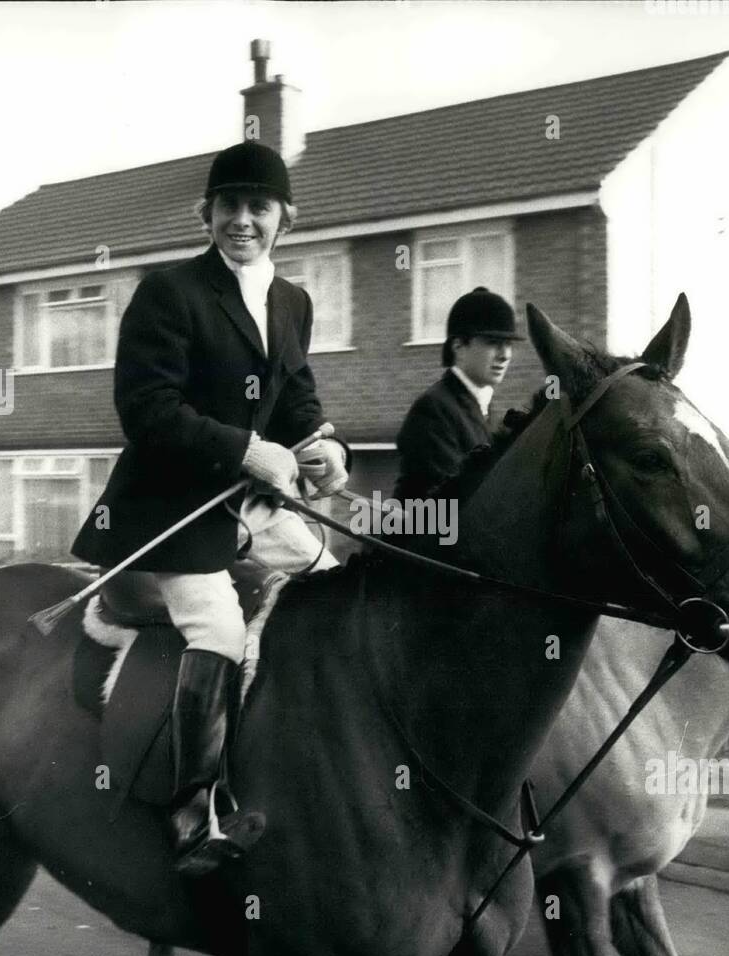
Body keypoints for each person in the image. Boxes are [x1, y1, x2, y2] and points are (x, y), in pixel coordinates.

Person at [72, 141, 349, 876]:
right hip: (170, 508)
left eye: (258, 207)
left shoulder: (292, 301)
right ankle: (192, 810)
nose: (243, 221)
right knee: (221, 625)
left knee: (332, 577)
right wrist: (246, 452)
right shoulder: (170, 292)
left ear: (285, 217)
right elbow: (147, 409)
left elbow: (297, 400)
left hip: (248, 502)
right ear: (208, 214)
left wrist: (324, 448)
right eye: (229, 206)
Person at [393, 287, 522, 501]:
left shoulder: (485, 408)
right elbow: (455, 502)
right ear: (459, 346)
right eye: (492, 342)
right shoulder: (434, 409)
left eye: (508, 344)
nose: (505, 355)